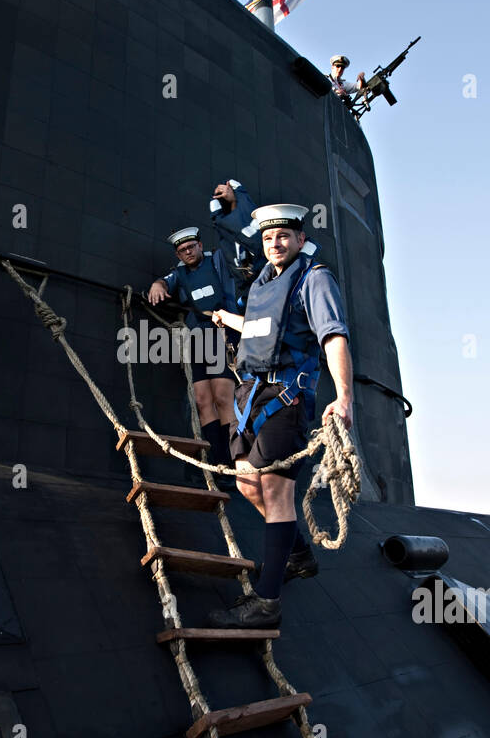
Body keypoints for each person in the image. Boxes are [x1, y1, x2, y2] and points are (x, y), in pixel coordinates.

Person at [206, 203, 353, 629]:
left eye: (284, 236)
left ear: (300, 239)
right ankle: (298, 554)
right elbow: (257, 330)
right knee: (245, 481)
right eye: (268, 237)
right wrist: (224, 318)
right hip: (251, 394)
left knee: (274, 491)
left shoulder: (314, 277)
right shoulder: (262, 285)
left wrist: (343, 398)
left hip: (287, 396)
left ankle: (267, 603)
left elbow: (333, 335)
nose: (275, 243)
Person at [147, 227, 237, 470]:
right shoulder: (179, 273)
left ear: (199, 244)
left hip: (221, 333)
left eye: (191, 247)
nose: (188, 252)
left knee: (222, 397)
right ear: (178, 254)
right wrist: (157, 284)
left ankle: (232, 460)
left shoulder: (218, 261)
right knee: (202, 400)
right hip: (197, 339)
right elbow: (166, 281)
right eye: (182, 250)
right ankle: (214, 458)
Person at [209, 179, 261, 296]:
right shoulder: (226, 240)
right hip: (247, 295)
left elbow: (254, 241)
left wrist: (238, 196)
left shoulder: (257, 225)